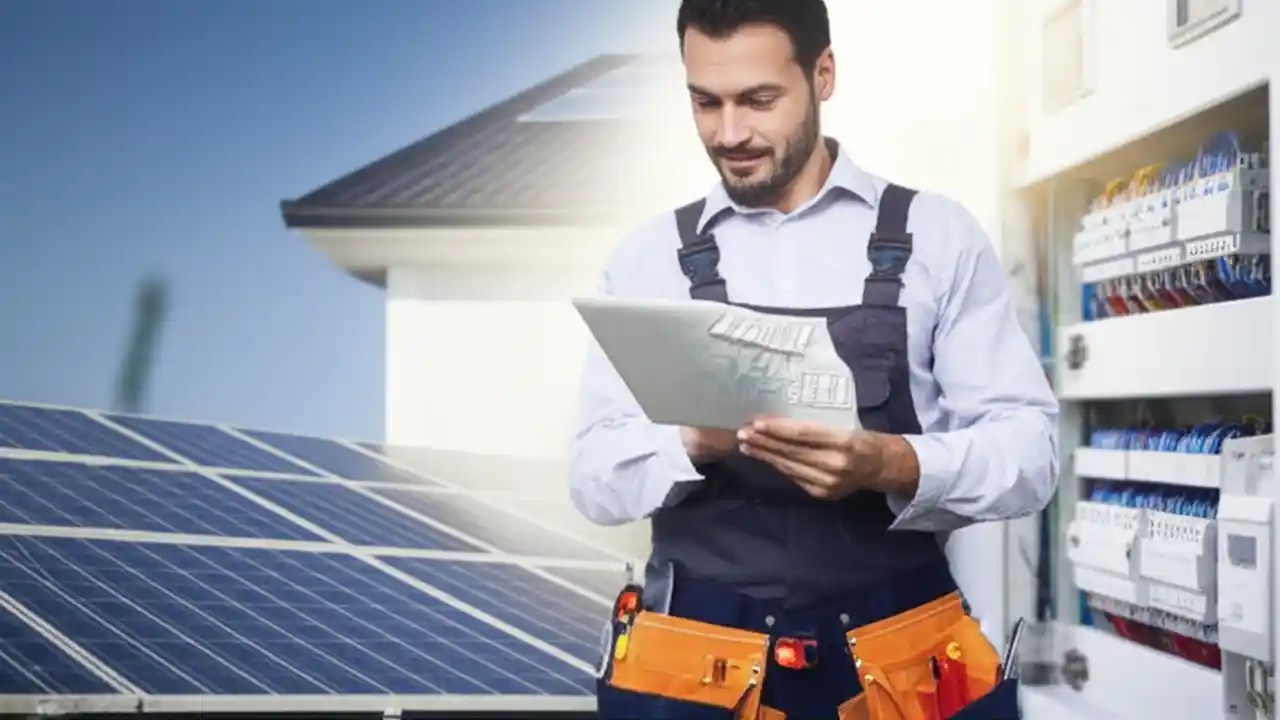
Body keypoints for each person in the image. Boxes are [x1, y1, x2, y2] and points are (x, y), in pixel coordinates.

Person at [567, 0, 1059, 717]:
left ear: (823, 75)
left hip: (902, 658)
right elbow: (591, 478)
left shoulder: (938, 238)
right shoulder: (648, 260)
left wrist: (890, 464)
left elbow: (1032, 454)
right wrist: (694, 439)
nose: (729, 132)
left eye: (758, 100)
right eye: (705, 102)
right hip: (692, 664)